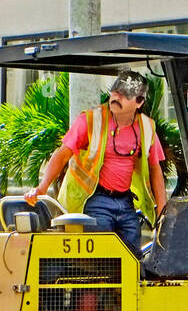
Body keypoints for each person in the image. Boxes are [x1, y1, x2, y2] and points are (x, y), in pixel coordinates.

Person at [25, 70, 167, 254]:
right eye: (115, 92)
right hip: (94, 199)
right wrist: (42, 187)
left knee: (132, 253)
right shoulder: (91, 120)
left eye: (125, 95)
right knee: (102, 250)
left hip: (125, 201)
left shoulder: (146, 127)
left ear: (139, 102)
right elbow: (62, 154)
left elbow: (155, 169)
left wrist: (164, 210)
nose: (117, 97)